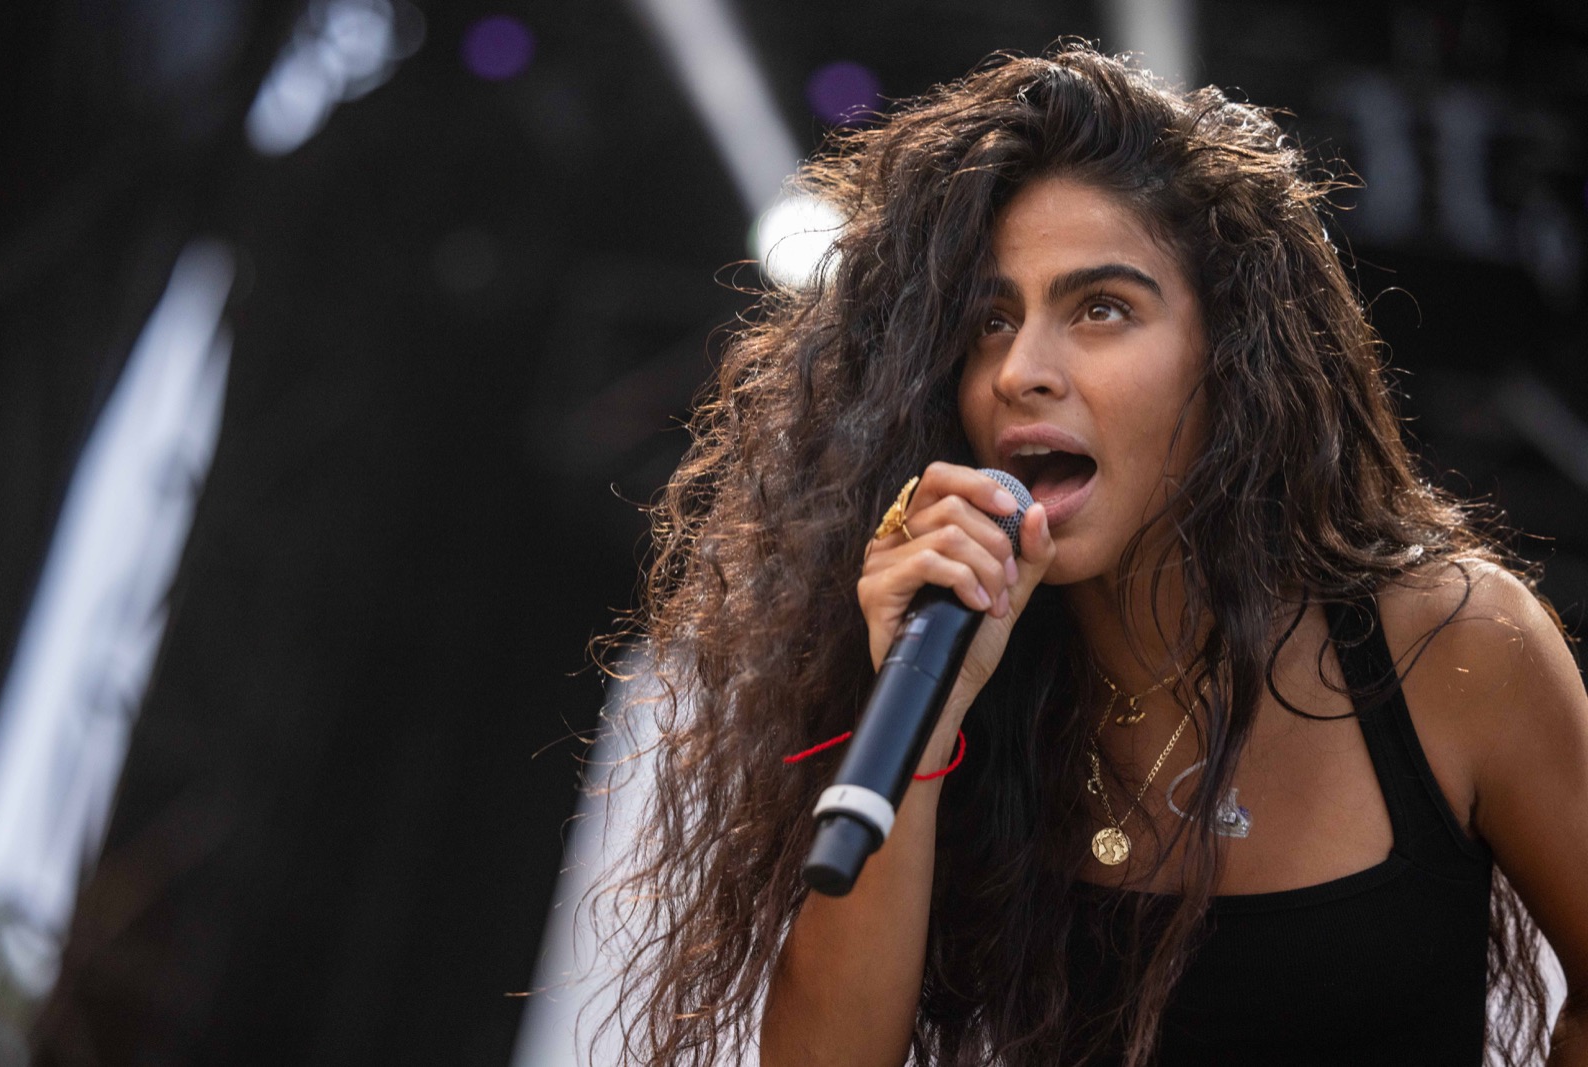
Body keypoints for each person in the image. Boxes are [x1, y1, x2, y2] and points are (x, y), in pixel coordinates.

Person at [594, 44, 1588, 1067]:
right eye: (989, 320)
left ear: (1233, 358)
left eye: (1100, 308)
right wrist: (923, 709)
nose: (1022, 369)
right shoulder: (949, 670)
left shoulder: (1458, 644)